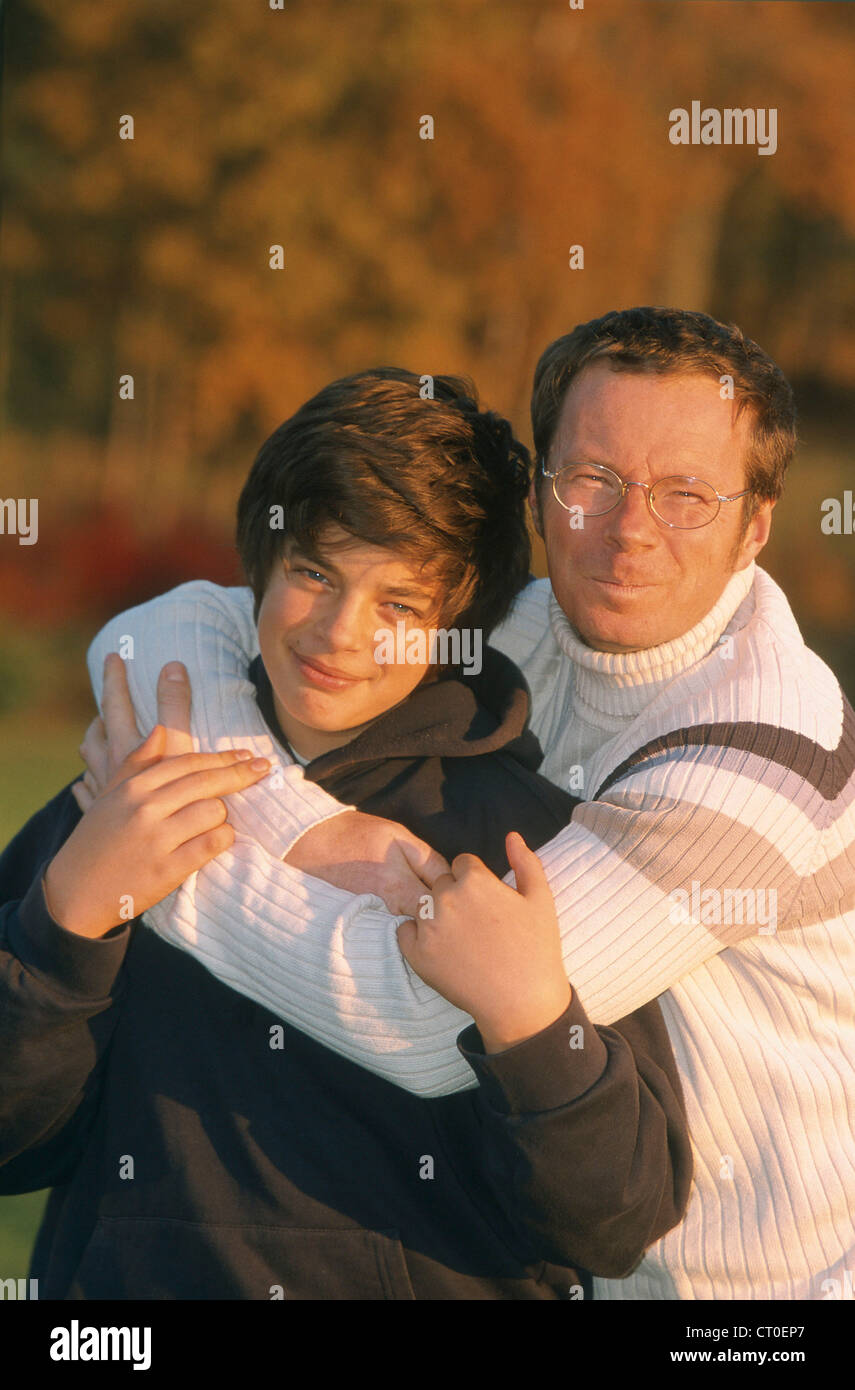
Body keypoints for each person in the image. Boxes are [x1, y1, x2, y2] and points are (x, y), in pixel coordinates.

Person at [90, 309, 855, 1301]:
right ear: (540, 494)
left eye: (686, 496)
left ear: (756, 525)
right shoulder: (522, 632)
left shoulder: (766, 742)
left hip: (773, 1300)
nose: (630, 530)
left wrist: (147, 866)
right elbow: (173, 624)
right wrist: (301, 824)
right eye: (594, 480)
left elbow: (423, 1021)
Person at [0, 368, 692, 1300]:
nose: (338, 633)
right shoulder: (133, 785)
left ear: (460, 627)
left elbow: (614, 1218)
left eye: (399, 606)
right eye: (315, 573)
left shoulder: (518, 842)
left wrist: (529, 1025)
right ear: (263, 562)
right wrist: (67, 921)